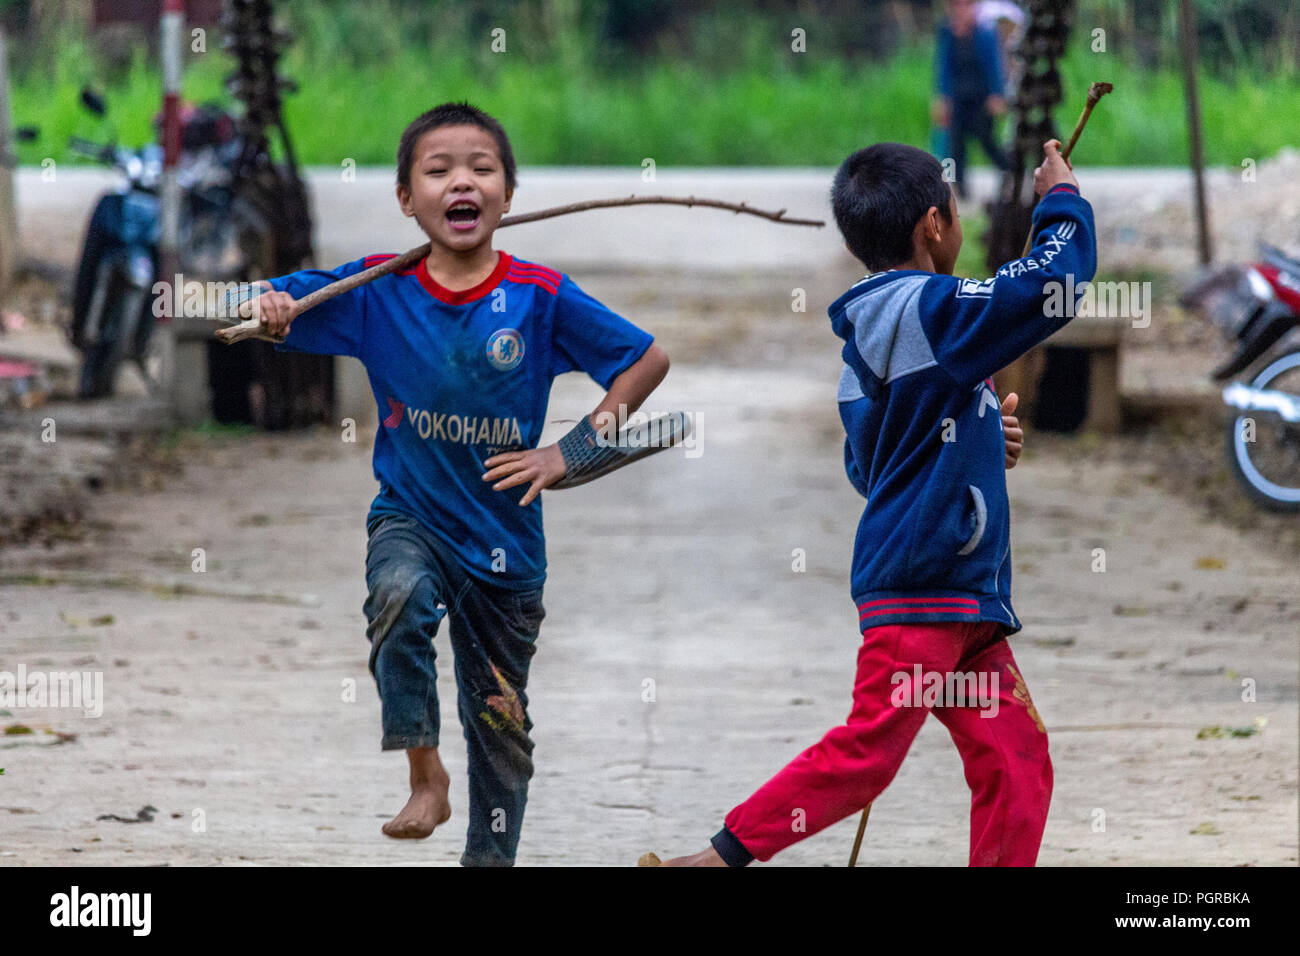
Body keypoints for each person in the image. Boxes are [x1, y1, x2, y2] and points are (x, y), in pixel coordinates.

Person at [243, 102, 670, 866]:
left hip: (505, 548)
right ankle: (423, 771)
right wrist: (269, 308)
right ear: (407, 199)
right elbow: (271, 304)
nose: (461, 182)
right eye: (438, 171)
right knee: (398, 599)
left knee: (501, 724)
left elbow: (644, 362)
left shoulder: (541, 296)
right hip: (409, 516)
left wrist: (566, 452)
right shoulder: (376, 290)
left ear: (508, 193)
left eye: (481, 168)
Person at [656, 139, 1095, 867]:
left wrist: (983, 437)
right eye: (956, 214)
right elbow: (1049, 289)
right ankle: (717, 860)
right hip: (923, 593)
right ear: (934, 224)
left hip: (960, 600)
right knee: (868, 755)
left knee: (1016, 760)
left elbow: (877, 464)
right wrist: (1062, 203)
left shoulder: (868, 343)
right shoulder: (933, 310)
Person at [932, 0, 1009, 199]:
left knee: (987, 140)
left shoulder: (986, 32)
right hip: (958, 99)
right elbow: (943, 67)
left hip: (980, 99)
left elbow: (994, 66)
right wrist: (942, 98)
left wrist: (997, 94)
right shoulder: (947, 33)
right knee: (955, 144)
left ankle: (1010, 170)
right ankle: (960, 189)